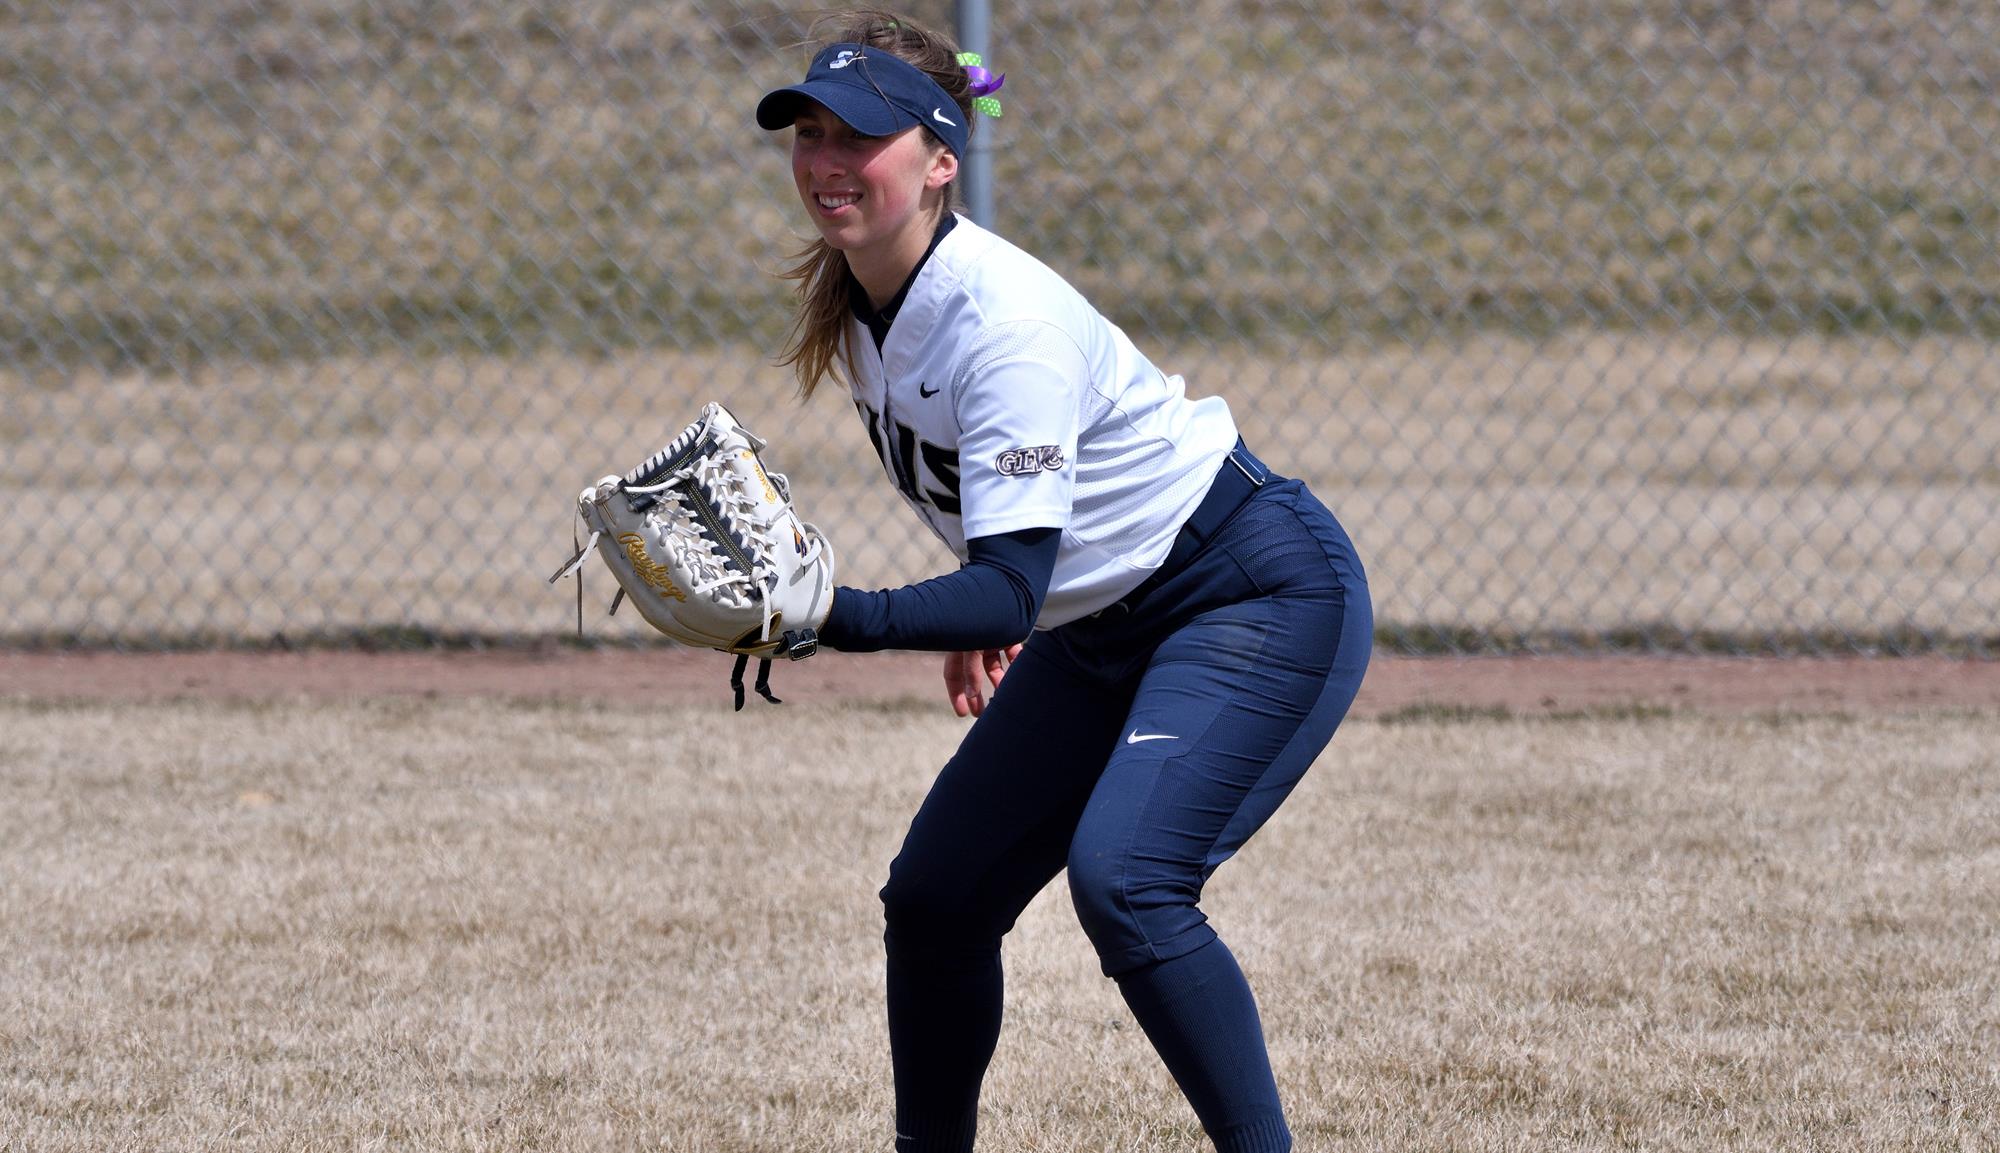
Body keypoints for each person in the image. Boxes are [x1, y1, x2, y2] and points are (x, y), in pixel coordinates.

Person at [754, 12, 1372, 1153]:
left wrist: (833, 617)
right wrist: (984, 597)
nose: (827, 162)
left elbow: (1007, 585)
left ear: (942, 159)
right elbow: (997, 531)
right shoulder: (856, 302)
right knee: (935, 901)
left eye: (863, 138)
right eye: (809, 132)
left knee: (1128, 880)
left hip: (1246, 592)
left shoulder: (1006, 322)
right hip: (1100, 623)